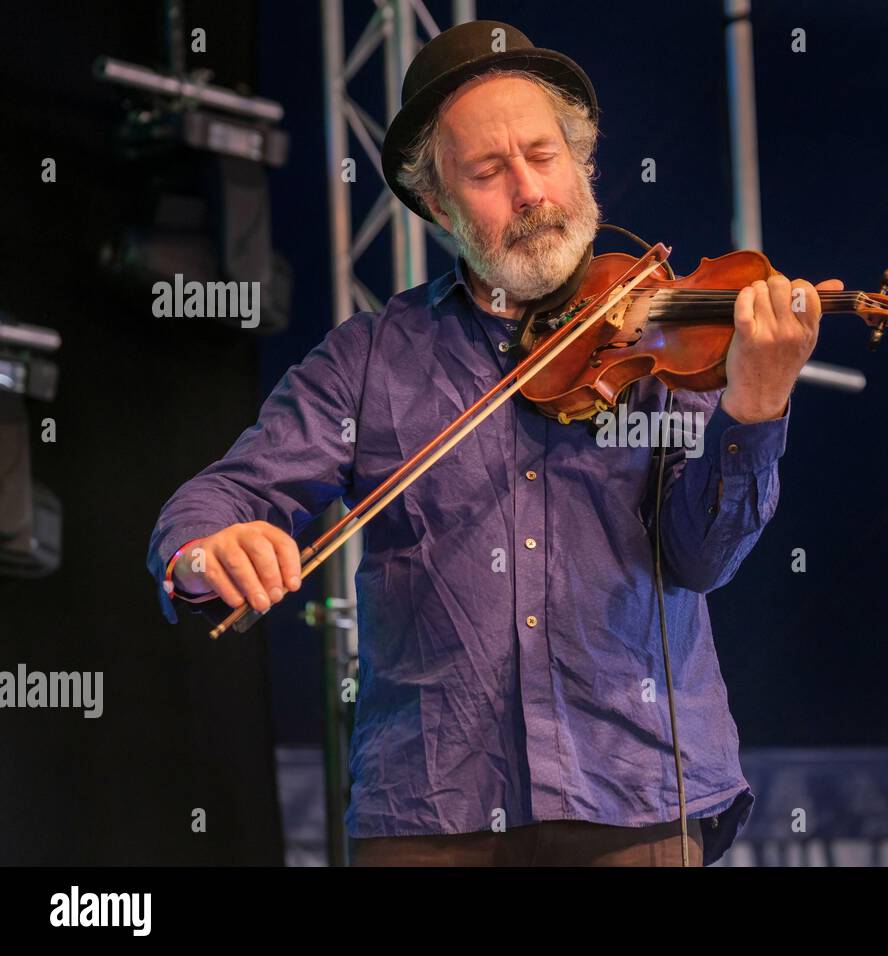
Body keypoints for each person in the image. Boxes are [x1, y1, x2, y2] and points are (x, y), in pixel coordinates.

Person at [146, 19, 841, 866]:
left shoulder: (660, 340)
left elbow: (702, 559)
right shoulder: (370, 358)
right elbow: (222, 498)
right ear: (437, 204)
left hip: (636, 790)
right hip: (433, 807)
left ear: (580, 162)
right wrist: (203, 549)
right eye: (487, 171)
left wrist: (757, 408)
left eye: (545, 156)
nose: (530, 191)